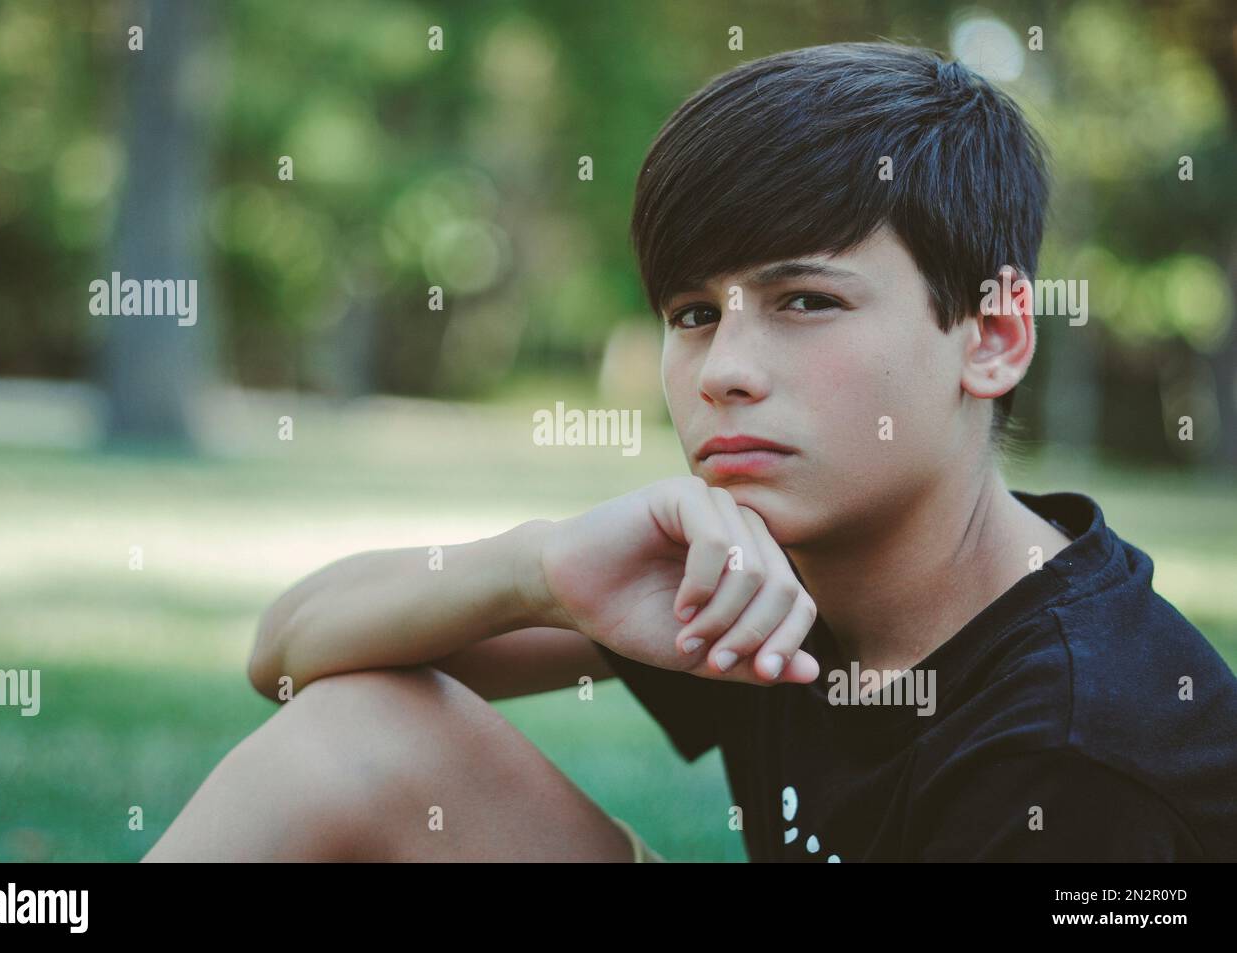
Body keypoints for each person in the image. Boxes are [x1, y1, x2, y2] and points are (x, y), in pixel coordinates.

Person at [143, 42, 1237, 863]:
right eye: (693, 312)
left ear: (990, 336)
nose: (723, 370)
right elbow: (289, 658)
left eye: (805, 299)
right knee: (364, 729)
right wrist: (542, 567)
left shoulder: (1079, 752)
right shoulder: (775, 567)